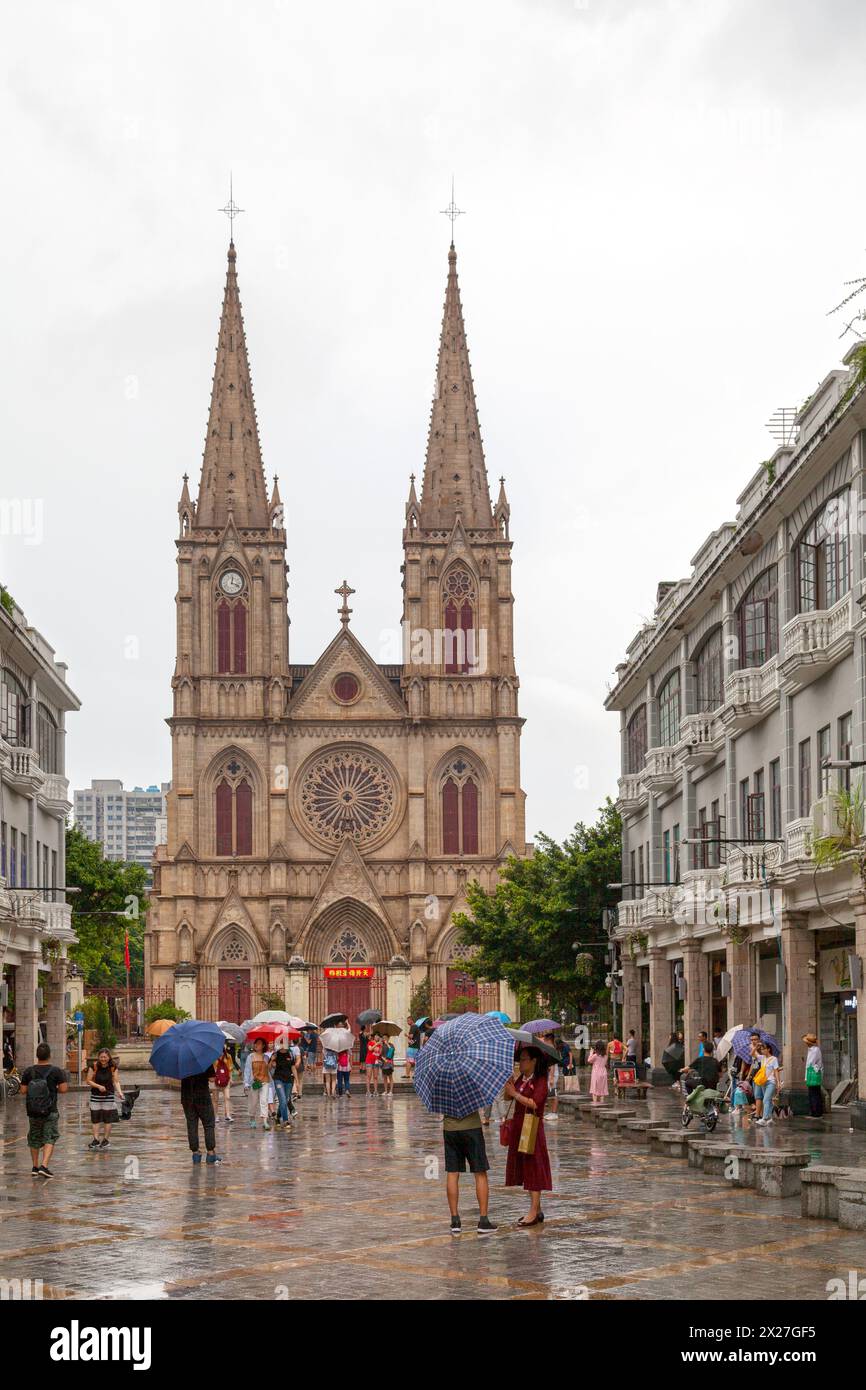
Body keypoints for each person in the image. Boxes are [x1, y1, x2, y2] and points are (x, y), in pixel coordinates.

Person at [504, 1045, 553, 1227]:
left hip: (531, 1128)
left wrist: (515, 1094)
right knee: (526, 1167)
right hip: (519, 1126)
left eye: (524, 1059)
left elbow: (534, 1103)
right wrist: (509, 1085)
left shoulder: (540, 1080)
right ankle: (536, 1208)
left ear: (533, 1061)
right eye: (520, 1059)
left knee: (534, 1166)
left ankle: (533, 1211)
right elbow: (508, 1098)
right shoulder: (521, 1079)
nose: (521, 1063)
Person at [443, 1107, 497, 1237]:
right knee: (480, 1172)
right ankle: (483, 1220)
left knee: (452, 1172)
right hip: (472, 1127)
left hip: (450, 1129)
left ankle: (455, 1221)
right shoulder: (472, 1085)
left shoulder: (441, 1086)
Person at [20, 1042, 68, 1179]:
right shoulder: (56, 1071)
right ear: (50, 1055)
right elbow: (64, 1089)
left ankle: (35, 1167)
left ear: (37, 1055)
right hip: (50, 1110)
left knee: (34, 1137)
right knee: (50, 1136)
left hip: (33, 1111)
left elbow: (23, 1091)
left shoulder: (29, 1071)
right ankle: (44, 1166)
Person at [181, 1063, 221, 1163]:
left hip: (187, 1097)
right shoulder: (204, 1059)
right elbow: (212, 1079)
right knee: (208, 1124)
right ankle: (211, 1153)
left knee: (191, 1124)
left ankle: (195, 1153)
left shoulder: (181, 1061)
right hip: (202, 1095)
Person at [86, 1047, 124, 1149]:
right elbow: (88, 1080)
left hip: (109, 1095)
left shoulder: (113, 1067)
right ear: (98, 1057)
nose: (103, 1059)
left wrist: (120, 1092)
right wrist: (98, 1086)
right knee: (95, 1118)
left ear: (109, 1057)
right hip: (95, 1095)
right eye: (101, 1057)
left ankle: (106, 1140)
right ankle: (96, 1139)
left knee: (107, 1119)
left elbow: (116, 1081)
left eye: (105, 1057)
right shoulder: (93, 1066)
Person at [244, 1037, 272, 1129]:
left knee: (264, 1101)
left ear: (263, 1045)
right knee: (253, 1102)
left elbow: (269, 1070)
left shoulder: (266, 1057)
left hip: (265, 1081)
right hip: (254, 1082)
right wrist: (246, 1083)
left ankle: (264, 1121)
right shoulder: (250, 1056)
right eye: (256, 1043)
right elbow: (247, 1070)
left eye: (259, 1043)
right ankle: (252, 1118)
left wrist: (272, 1062)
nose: (256, 1045)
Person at [269, 1042, 297, 1129]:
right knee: (283, 1100)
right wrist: (272, 1060)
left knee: (285, 1100)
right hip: (278, 1079)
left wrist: (297, 1081)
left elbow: (293, 1068)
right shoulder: (275, 1054)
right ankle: (285, 1120)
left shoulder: (291, 1053)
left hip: (288, 1080)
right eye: (282, 1042)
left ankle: (278, 1117)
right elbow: (269, 1067)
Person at [755, 1043, 782, 1126]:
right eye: (761, 1049)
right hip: (763, 1082)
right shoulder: (762, 1058)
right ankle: (770, 1118)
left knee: (765, 1099)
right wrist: (756, 1047)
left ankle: (764, 1118)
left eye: (764, 1049)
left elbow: (776, 1070)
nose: (762, 1051)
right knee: (769, 1100)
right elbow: (752, 1054)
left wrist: (778, 1082)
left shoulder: (774, 1059)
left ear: (768, 1049)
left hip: (771, 1082)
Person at [212, 1045, 235, 1124]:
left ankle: (227, 1115)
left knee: (227, 1097)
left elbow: (230, 1068)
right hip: (215, 1080)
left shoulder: (228, 1056)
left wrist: (231, 1078)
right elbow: (211, 1067)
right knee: (215, 1099)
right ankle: (216, 1115)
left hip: (226, 1079)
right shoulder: (213, 1056)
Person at [804, 1032, 824, 1118]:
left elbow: (810, 1063)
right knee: (813, 1092)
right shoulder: (812, 1050)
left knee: (814, 1093)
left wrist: (806, 1076)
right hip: (812, 1072)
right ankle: (813, 1111)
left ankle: (816, 1112)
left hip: (813, 1073)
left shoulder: (815, 1050)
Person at [589, 1039, 609, 1103]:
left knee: (594, 1090)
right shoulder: (606, 1056)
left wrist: (591, 1053)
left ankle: (595, 1104)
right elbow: (605, 1064)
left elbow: (589, 1060)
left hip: (596, 1073)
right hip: (603, 1073)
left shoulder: (595, 1055)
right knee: (602, 1090)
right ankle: (602, 1105)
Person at [366, 1031, 383, 1096]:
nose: (377, 1037)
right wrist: (376, 1044)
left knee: (375, 1077)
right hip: (369, 1061)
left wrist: (381, 1046)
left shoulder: (379, 1044)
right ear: (374, 1037)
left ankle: (375, 1091)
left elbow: (380, 1053)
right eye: (376, 1036)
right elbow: (370, 1049)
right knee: (369, 1076)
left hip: (376, 1061)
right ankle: (368, 1091)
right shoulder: (370, 1042)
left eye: (378, 1036)